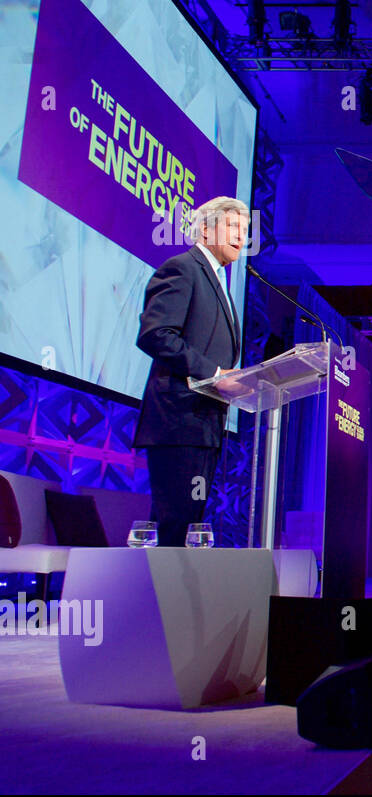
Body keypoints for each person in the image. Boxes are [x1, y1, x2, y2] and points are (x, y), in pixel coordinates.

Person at [132, 196, 247, 547]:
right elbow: (155, 334)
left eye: (245, 230)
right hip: (178, 419)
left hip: (205, 422)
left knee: (188, 524)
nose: (241, 237)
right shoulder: (183, 268)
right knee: (176, 524)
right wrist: (214, 372)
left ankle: (174, 600)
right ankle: (160, 602)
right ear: (207, 228)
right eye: (233, 227)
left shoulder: (217, 279)